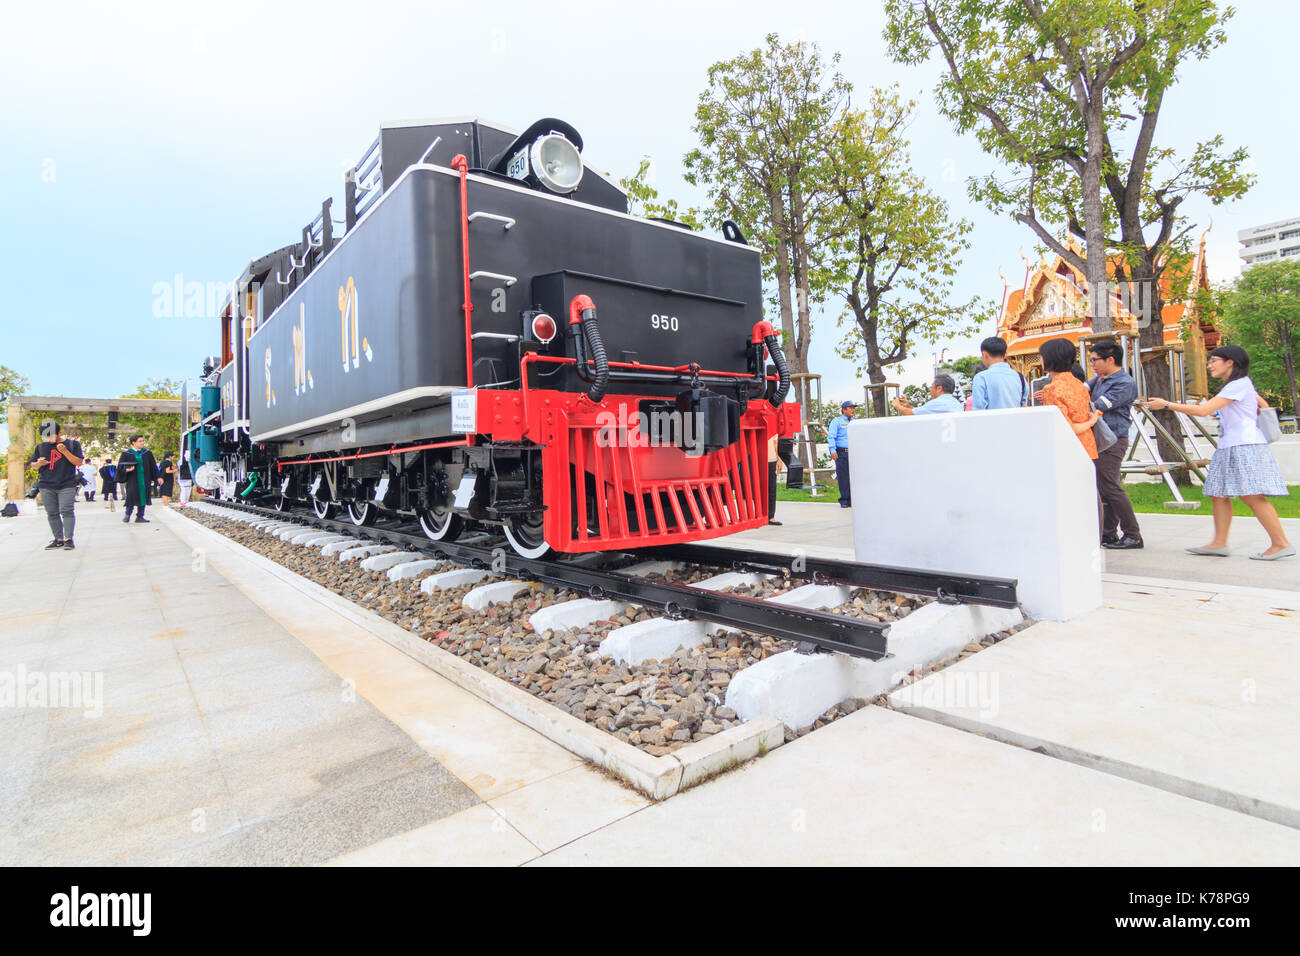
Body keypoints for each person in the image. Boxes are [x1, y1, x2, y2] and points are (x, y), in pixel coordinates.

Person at [1144, 345, 1292, 560]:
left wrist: (1166, 404)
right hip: (1230, 446)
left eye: (1214, 360)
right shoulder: (1237, 386)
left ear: (1230, 362)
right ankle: (1219, 543)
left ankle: (1281, 543)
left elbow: (1203, 410)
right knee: (1218, 494)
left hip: (1243, 446)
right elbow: (1261, 403)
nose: (1210, 364)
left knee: (1251, 496)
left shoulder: (1239, 384)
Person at [1088, 341, 1142, 550]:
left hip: (1113, 440)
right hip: (1103, 440)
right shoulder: (1101, 378)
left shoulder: (1124, 383)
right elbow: (1084, 389)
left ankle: (1133, 534)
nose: (1092, 364)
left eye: (1095, 360)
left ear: (1110, 359)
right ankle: (1108, 534)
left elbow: (1097, 406)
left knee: (1110, 487)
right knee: (1105, 487)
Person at [1036, 338, 1100, 460]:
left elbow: (1066, 428)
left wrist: (1091, 422)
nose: (1040, 359)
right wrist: (1091, 422)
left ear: (1050, 358)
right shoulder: (1079, 384)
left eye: (1041, 356)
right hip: (1088, 446)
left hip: (1069, 449)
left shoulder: (1052, 389)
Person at [27, 420, 85, 550]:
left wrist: (65, 452)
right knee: (52, 513)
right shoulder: (41, 447)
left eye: (50, 435)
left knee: (66, 510)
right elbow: (33, 465)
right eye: (45, 436)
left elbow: (78, 462)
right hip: (46, 484)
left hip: (67, 483)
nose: (48, 439)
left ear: (59, 433)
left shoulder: (72, 444)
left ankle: (68, 539)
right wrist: (38, 464)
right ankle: (58, 539)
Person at [972, 337, 1029, 410]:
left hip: (991, 421)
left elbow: (978, 408)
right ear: (1005, 354)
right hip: (1016, 420)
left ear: (985, 354)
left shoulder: (981, 377)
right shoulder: (1020, 377)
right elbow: (1024, 405)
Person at [118, 434, 159, 523]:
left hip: (145, 479)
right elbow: (120, 467)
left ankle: (140, 516)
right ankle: (127, 514)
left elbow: (153, 466)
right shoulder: (126, 454)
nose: (143, 443)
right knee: (131, 496)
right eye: (140, 441)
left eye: (143, 441)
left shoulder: (147, 453)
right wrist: (127, 469)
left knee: (143, 496)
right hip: (132, 479)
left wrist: (158, 477)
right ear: (133, 442)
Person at [826, 400, 856, 508]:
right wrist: (832, 450)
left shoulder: (855, 421)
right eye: (850, 408)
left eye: (853, 407)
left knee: (854, 477)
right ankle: (844, 500)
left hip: (854, 453)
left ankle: (853, 500)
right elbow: (831, 437)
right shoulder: (836, 421)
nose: (853, 410)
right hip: (842, 453)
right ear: (844, 410)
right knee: (843, 477)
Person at [892, 375, 964, 415]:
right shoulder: (956, 403)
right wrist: (908, 406)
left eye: (931, 387)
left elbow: (911, 414)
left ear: (939, 388)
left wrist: (897, 405)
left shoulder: (938, 403)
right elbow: (924, 411)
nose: (930, 390)